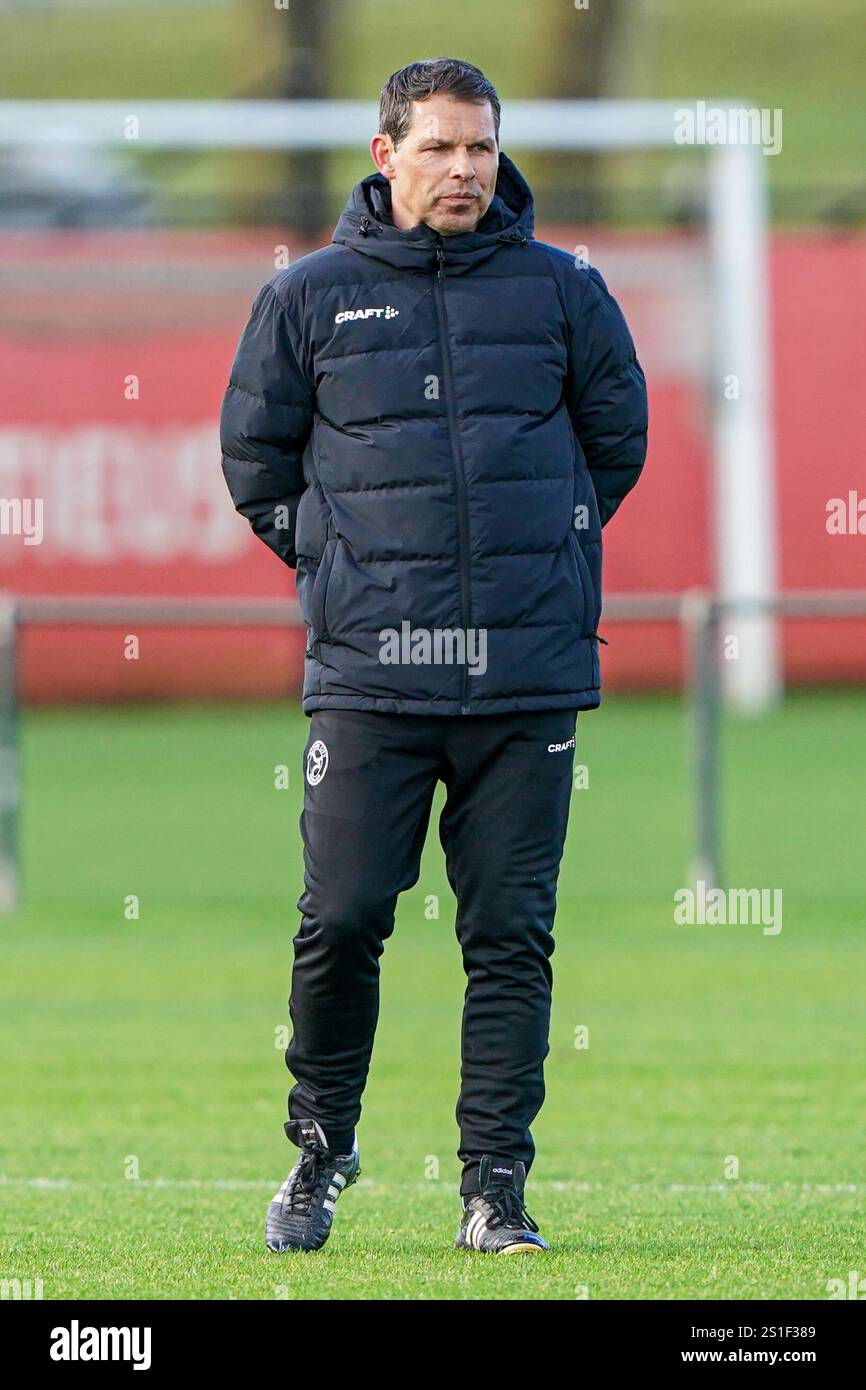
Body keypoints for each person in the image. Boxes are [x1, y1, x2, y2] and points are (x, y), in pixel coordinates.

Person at [220, 57, 648, 1255]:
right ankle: (319, 1149)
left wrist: (536, 560)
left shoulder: (564, 291)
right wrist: (343, 561)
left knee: (508, 934)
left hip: (524, 676)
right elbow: (257, 464)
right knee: (343, 914)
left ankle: (492, 1190)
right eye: (439, 147)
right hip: (371, 672)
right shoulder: (307, 298)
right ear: (385, 155)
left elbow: (614, 444)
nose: (464, 169)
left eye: (480, 147)